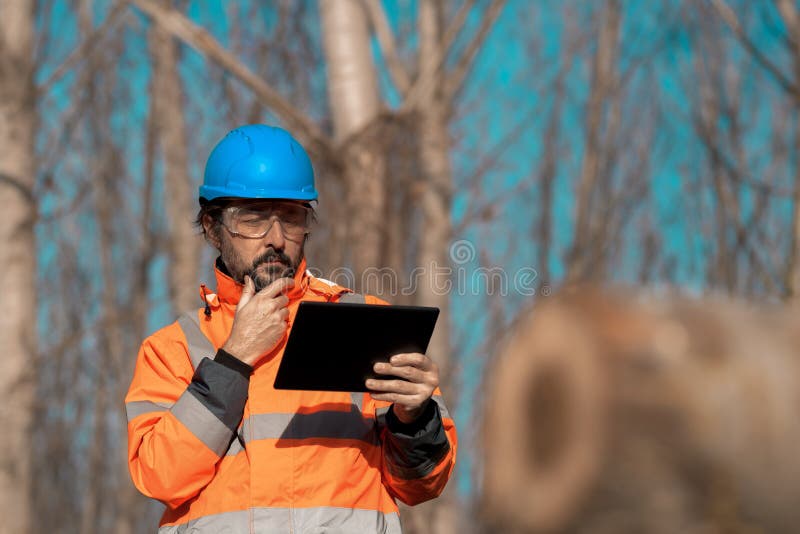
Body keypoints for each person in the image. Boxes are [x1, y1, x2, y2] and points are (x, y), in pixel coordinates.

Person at [125, 124, 457, 533]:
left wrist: (415, 417)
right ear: (212, 228)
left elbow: (422, 484)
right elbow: (160, 477)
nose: (277, 239)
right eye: (253, 220)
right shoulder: (173, 349)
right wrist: (233, 361)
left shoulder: (367, 325)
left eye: (291, 217)